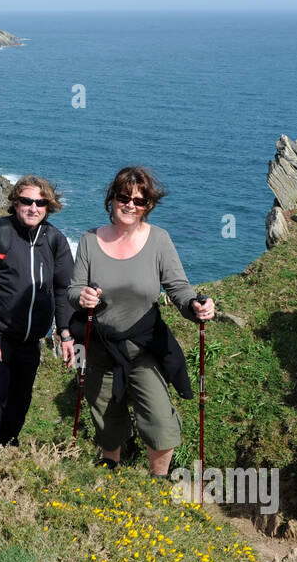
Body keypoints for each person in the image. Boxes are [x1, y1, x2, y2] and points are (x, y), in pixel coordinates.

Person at [68, 166, 215, 473]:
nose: (130, 204)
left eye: (140, 200)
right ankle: (110, 475)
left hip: (143, 348)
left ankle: (157, 485)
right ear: (112, 199)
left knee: (160, 421)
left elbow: (178, 288)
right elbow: (73, 289)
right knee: (107, 422)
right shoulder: (89, 241)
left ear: (149, 205)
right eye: (124, 196)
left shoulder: (159, 240)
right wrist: (82, 297)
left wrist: (195, 307)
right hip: (101, 348)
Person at [0, 175, 76, 448]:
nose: (33, 208)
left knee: (20, 402)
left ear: (49, 207)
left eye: (40, 203)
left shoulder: (56, 241)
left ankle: (5, 454)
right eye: (26, 201)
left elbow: (64, 289)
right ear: (15, 202)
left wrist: (66, 331)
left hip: (31, 342)